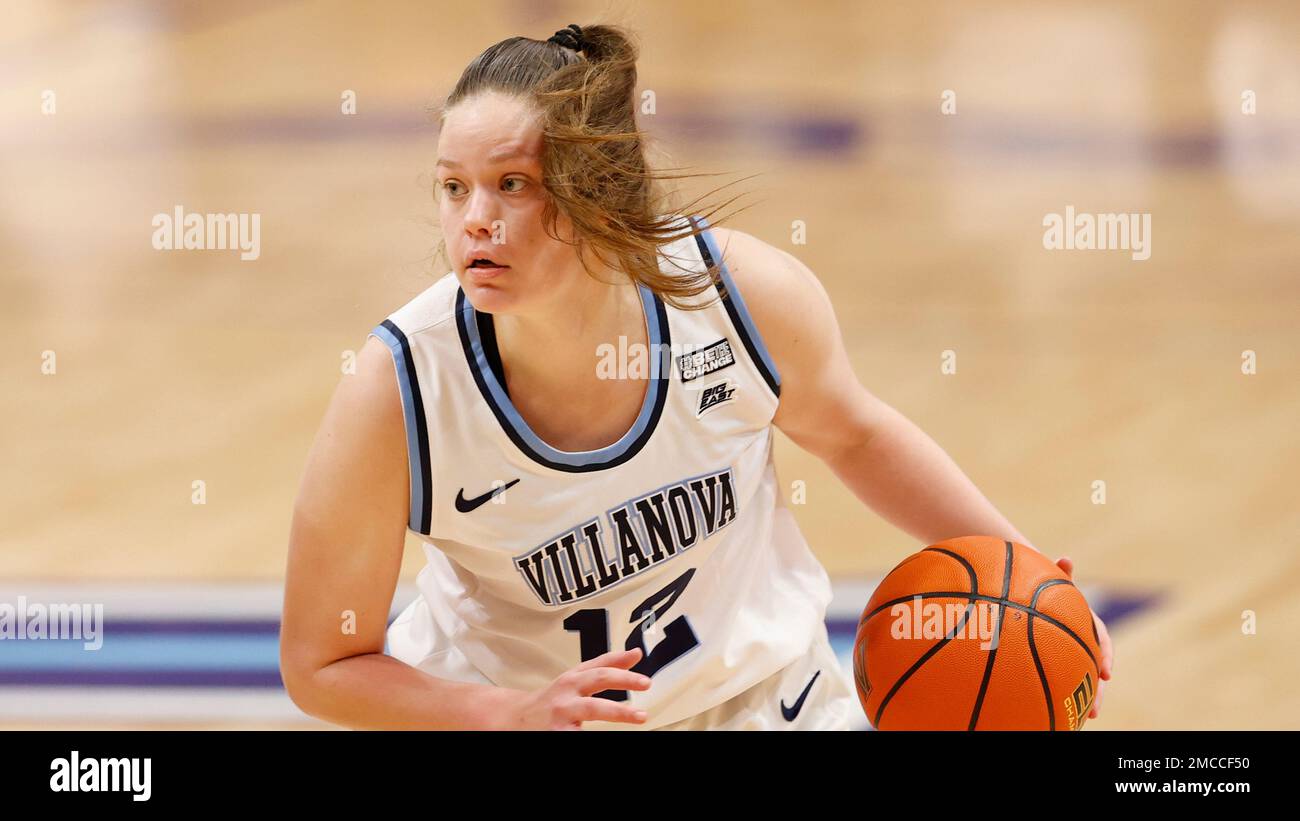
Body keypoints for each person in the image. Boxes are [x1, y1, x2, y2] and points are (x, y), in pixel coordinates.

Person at [280, 23, 1113, 730]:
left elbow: (854, 432)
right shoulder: (400, 388)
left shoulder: (740, 298)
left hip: (764, 699)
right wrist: (508, 710)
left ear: (600, 188)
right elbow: (322, 660)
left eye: (512, 186)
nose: (475, 222)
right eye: (453, 188)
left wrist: (1027, 570)